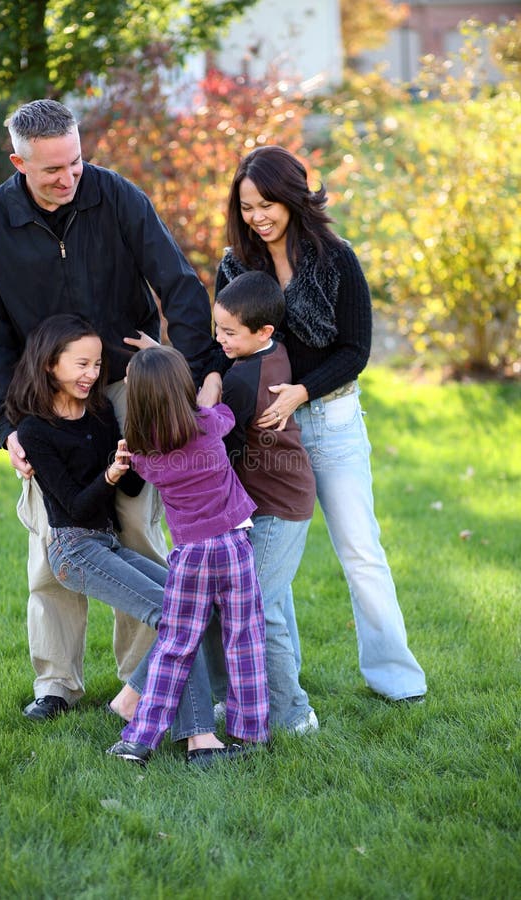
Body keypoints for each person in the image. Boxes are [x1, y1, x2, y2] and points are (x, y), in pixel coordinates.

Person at [0, 98, 222, 720]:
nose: (69, 178)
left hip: (125, 386)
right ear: (18, 161)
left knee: (133, 525)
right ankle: (56, 684)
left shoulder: (116, 196)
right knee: (55, 542)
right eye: (52, 169)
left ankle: (142, 674)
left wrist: (181, 372)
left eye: (76, 162)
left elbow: (179, 284)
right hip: (42, 404)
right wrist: (7, 425)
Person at [215, 145, 427, 703]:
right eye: (247, 206)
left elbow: (355, 350)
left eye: (267, 204)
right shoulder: (236, 266)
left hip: (329, 423)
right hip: (263, 433)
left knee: (359, 548)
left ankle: (396, 679)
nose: (257, 216)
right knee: (268, 561)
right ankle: (281, 687)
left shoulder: (336, 258)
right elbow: (227, 347)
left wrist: (303, 392)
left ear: (293, 198)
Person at [4, 313, 227, 766]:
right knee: (175, 613)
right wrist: (109, 473)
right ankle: (200, 742)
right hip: (72, 549)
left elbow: (125, 492)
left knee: (192, 604)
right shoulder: (34, 431)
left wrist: (131, 457)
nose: (91, 375)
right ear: (50, 365)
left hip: (103, 544)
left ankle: (132, 699)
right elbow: (74, 505)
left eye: (97, 364)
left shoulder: (102, 413)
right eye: (81, 364)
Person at [107, 345, 269, 765]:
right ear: (184, 388)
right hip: (234, 546)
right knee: (245, 639)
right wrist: (212, 382)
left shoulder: (144, 457)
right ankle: (251, 734)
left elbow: (140, 455)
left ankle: (138, 739)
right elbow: (225, 414)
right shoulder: (208, 424)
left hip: (190, 558)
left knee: (175, 646)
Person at [204, 271, 318, 733]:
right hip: (272, 500)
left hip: (277, 506)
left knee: (255, 607)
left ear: (263, 331)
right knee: (261, 599)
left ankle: (293, 714)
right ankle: (238, 697)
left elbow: (213, 442)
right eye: (218, 329)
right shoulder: (273, 353)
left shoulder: (246, 379)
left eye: (229, 333)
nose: (220, 340)